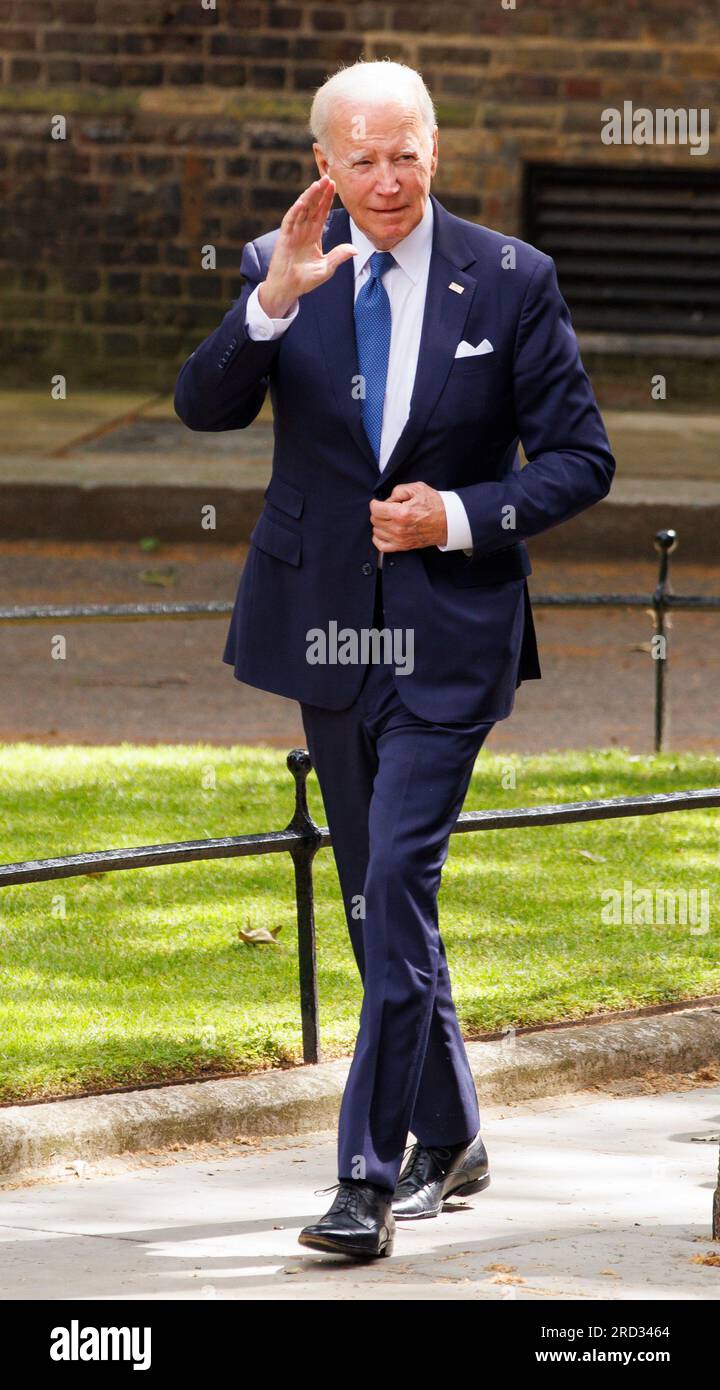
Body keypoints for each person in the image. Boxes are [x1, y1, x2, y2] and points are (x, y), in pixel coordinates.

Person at [174, 59, 615, 1261]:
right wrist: (268, 300)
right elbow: (201, 407)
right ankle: (457, 1130)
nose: (384, 180)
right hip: (323, 623)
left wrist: (461, 514)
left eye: (403, 154)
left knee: (399, 881)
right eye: (358, 158)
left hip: (452, 634)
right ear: (324, 162)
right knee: (376, 900)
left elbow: (580, 459)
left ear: (437, 151)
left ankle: (367, 1180)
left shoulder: (514, 278)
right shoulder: (293, 262)